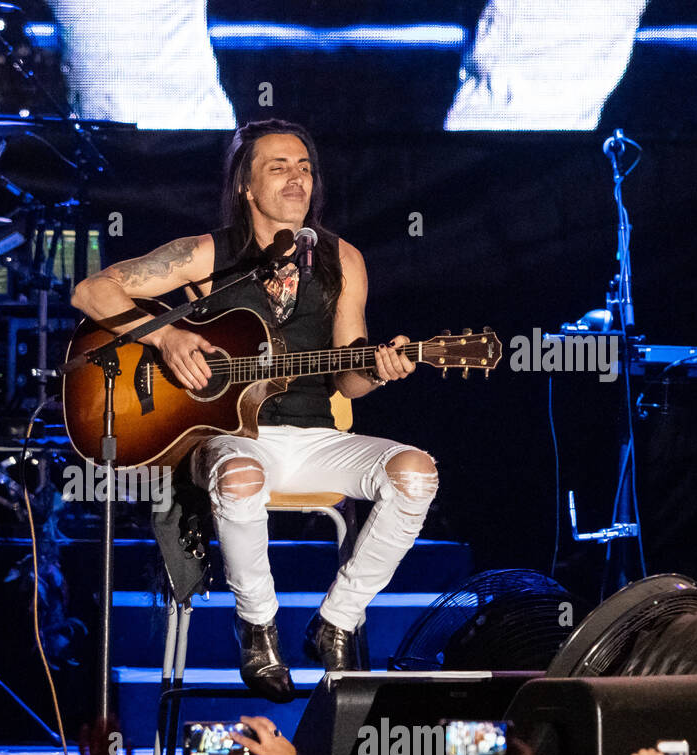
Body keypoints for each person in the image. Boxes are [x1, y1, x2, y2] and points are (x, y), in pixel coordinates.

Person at [71, 119, 437, 701]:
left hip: (316, 438)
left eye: (305, 168)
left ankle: (337, 621)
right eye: (278, 167)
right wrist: (166, 340)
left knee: (416, 473)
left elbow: (348, 373)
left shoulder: (344, 260)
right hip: (233, 439)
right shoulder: (208, 253)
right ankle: (258, 628)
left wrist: (378, 368)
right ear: (245, 183)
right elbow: (92, 292)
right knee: (242, 476)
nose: (297, 179)